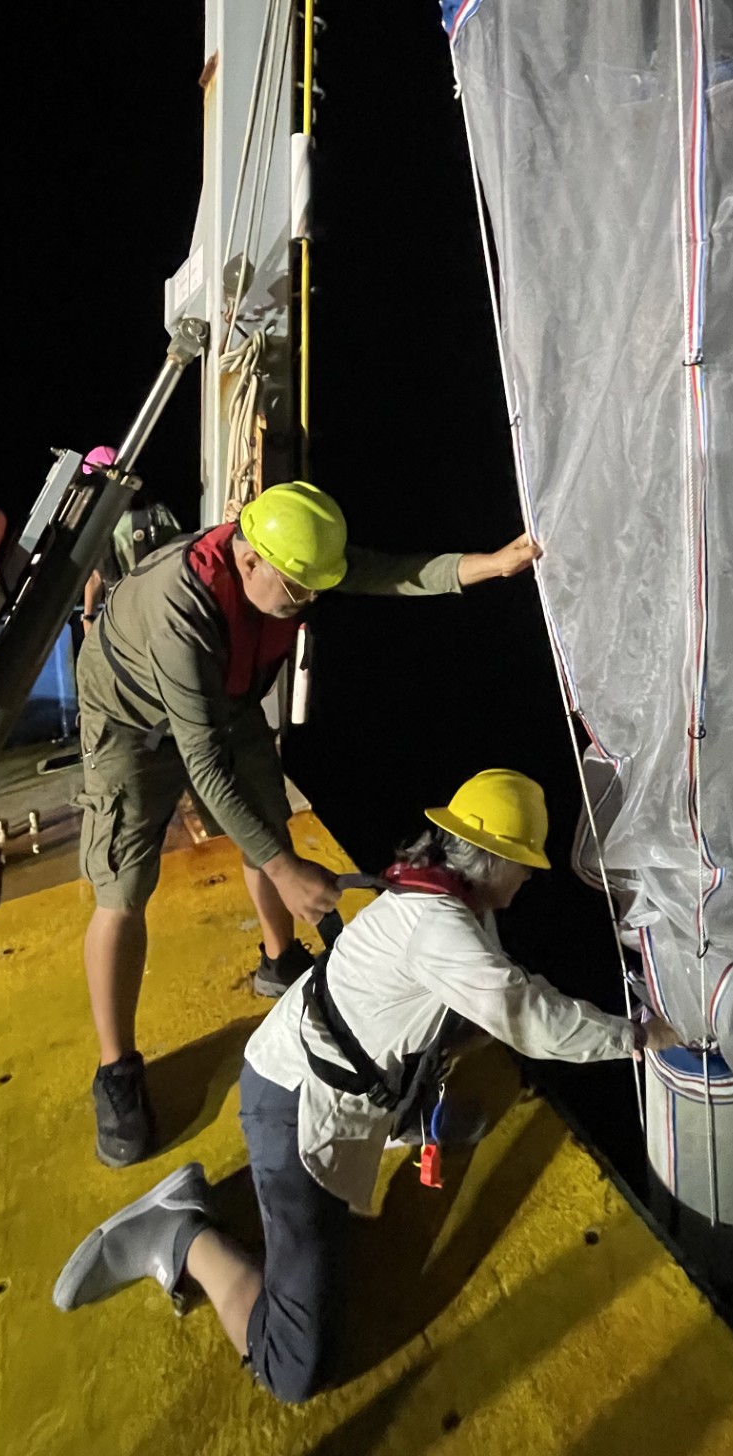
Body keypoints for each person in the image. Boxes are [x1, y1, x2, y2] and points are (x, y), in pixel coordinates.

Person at [53, 769, 681, 1403]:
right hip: (292, 1104)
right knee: (295, 1366)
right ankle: (181, 1233)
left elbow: (485, 995)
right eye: (524, 863)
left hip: (313, 1058)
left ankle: (401, 1117)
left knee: (465, 1014)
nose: (529, 877)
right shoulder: (444, 930)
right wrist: (637, 1036)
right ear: (490, 861)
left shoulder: (437, 894)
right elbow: (529, 1018)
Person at [75, 479, 539, 1167]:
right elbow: (204, 766)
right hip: (131, 724)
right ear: (249, 558)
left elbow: (395, 575)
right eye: (297, 589)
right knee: (124, 889)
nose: (309, 601)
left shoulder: (291, 561)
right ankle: (115, 1070)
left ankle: (277, 960)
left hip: (225, 707)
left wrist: (491, 564)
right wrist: (285, 870)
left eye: (317, 588)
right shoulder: (183, 607)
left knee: (269, 830)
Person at [78, 447, 181, 634]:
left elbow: (95, 576)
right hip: (160, 613)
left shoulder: (95, 529)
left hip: (126, 617)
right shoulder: (157, 514)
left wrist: (88, 618)